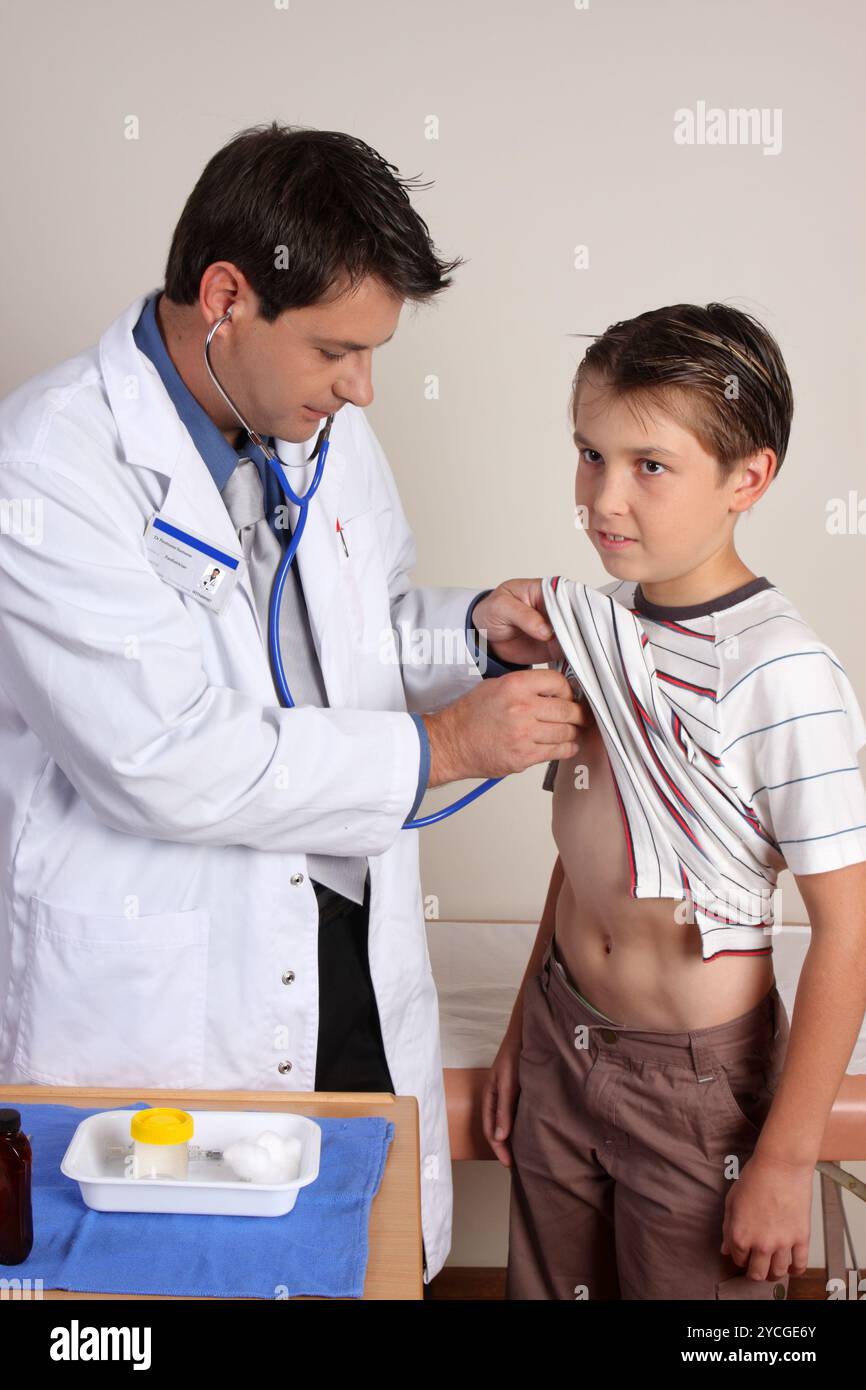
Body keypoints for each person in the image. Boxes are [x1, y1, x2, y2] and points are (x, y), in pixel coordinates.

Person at [0, 122, 588, 1286]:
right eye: (334, 350)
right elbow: (162, 753)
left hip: (345, 936)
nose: (361, 388)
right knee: (162, 1280)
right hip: (168, 969)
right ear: (224, 297)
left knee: (356, 1257)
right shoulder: (49, 462)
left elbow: (342, 638)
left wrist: (467, 629)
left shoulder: (321, 432)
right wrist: (444, 744)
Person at [482, 302, 866, 1300]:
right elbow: (585, 862)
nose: (603, 497)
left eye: (648, 464)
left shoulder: (781, 673)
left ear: (746, 478)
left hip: (697, 1089)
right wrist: (525, 1027)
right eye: (588, 454)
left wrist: (781, 1160)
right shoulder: (594, 631)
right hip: (563, 1038)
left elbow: (846, 928)